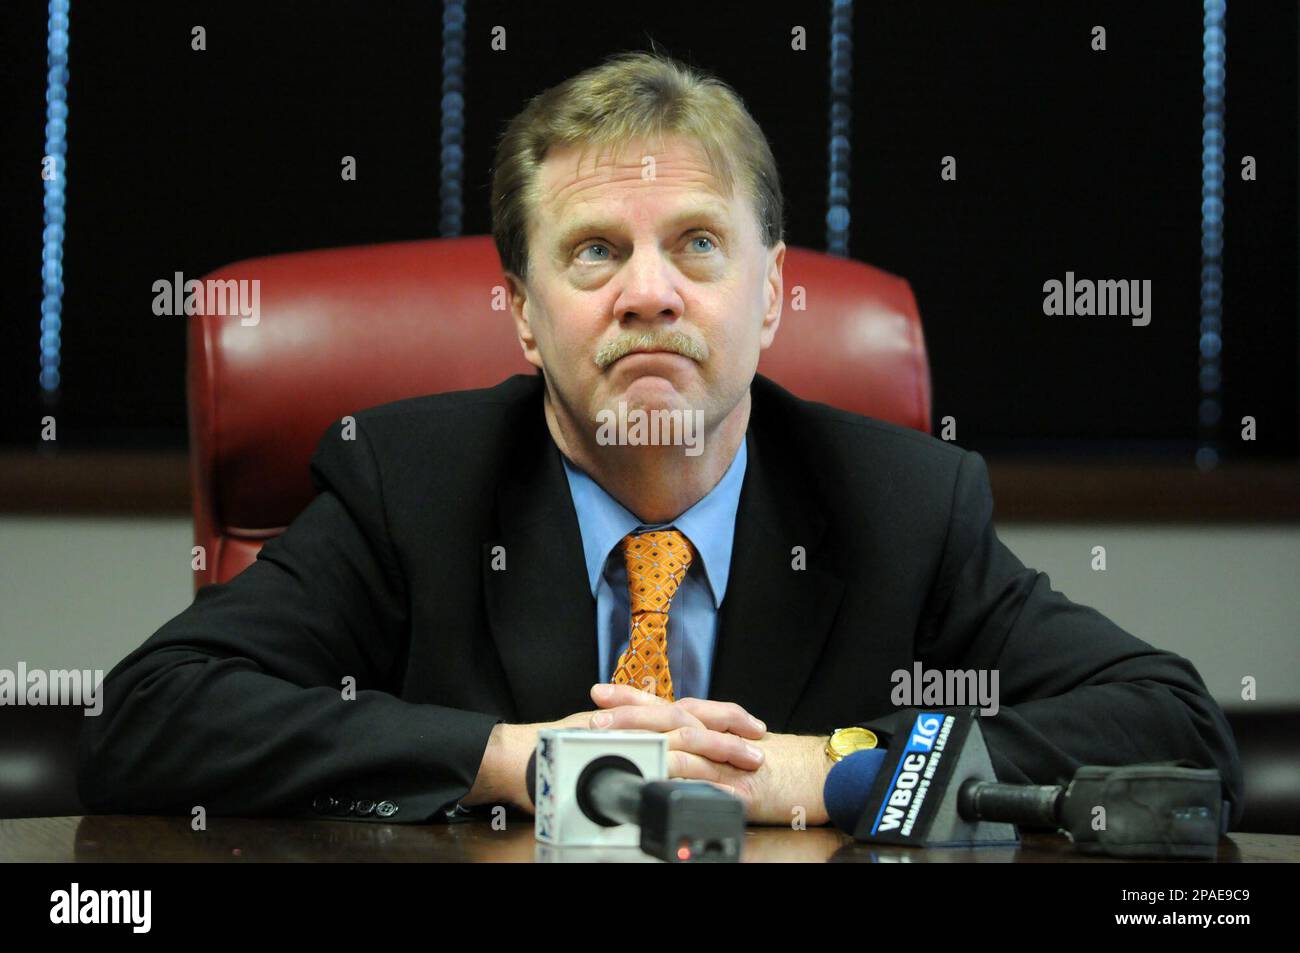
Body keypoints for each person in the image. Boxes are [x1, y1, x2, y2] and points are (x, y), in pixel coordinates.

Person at [78, 50, 1243, 829]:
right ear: (525, 314)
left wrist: (831, 768)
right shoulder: (413, 486)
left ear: (774, 294)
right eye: (593, 252)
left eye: (695, 243)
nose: (649, 294)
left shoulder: (901, 501)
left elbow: (1174, 727)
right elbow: (149, 717)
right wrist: (518, 759)